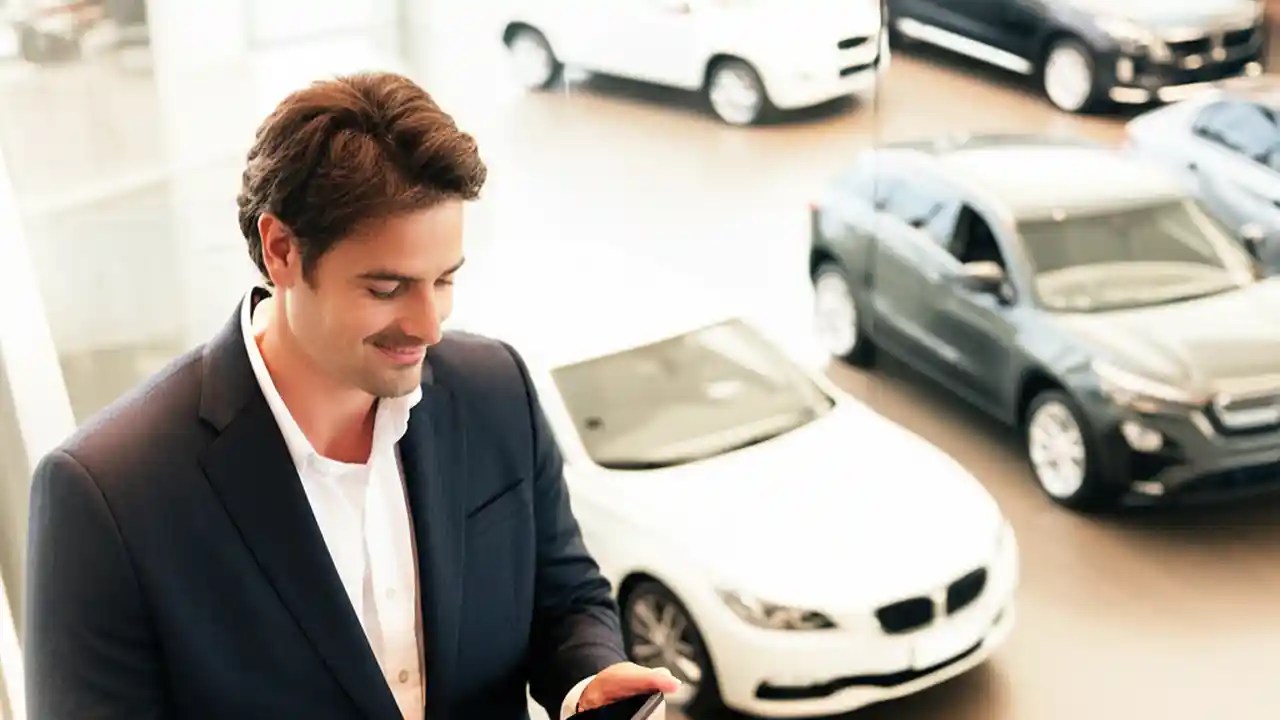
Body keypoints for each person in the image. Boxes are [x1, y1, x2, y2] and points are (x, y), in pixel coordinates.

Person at [24, 71, 680, 719]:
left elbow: (566, 598)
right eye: (386, 289)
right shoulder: (108, 494)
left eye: (444, 281)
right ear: (281, 250)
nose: (428, 326)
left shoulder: (495, 389)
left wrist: (587, 677)